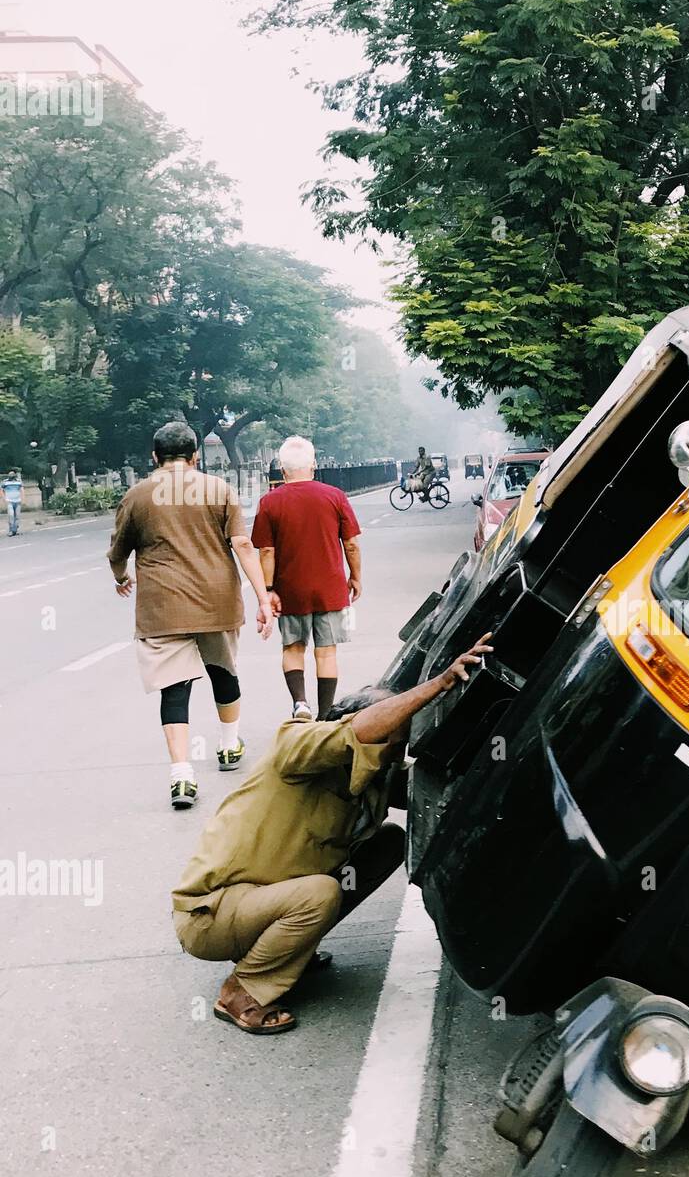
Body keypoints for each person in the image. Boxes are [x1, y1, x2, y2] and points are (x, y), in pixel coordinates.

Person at [171, 636, 493, 1034]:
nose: (398, 748)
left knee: (388, 842)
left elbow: (425, 789)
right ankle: (243, 991)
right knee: (320, 893)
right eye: (394, 736)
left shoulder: (371, 774)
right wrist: (438, 683)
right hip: (212, 915)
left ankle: (289, 949)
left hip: (267, 903)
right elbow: (359, 730)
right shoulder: (297, 744)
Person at [108, 420, 275, 809]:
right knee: (223, 671)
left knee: (174, 688)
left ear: (155, 456)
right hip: (216, 599)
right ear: (195, 455)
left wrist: (120, 577)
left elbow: (118, 551)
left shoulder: (137, 494)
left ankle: (181, 775)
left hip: (162, 606)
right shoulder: (218, 489)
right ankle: (229, 745)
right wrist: (264, 599)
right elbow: (242, 544)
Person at [252, 435, 362, 722]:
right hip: (330, 589)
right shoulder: (335, 496)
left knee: (293, 648)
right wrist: (356, 577)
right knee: (326, 653)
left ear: (281, 467)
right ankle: (326, 713)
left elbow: (266, 550)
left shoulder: (269, 503)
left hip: (290, 591)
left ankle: (300, 704)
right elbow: (350, 543)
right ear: (314, 464)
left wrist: (268, 590)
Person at [3, 469, 22, 537]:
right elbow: (1, 490)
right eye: (10, 474)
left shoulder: (18, 482)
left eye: (12, 474)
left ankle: (15, 530)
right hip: (9, 501)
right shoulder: (5, 482)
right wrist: (4, 498)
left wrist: (23, 498)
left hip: (18, 501)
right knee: (11, 516)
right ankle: (11, 530)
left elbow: (21, 489)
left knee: (17, 517)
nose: (11, 475)